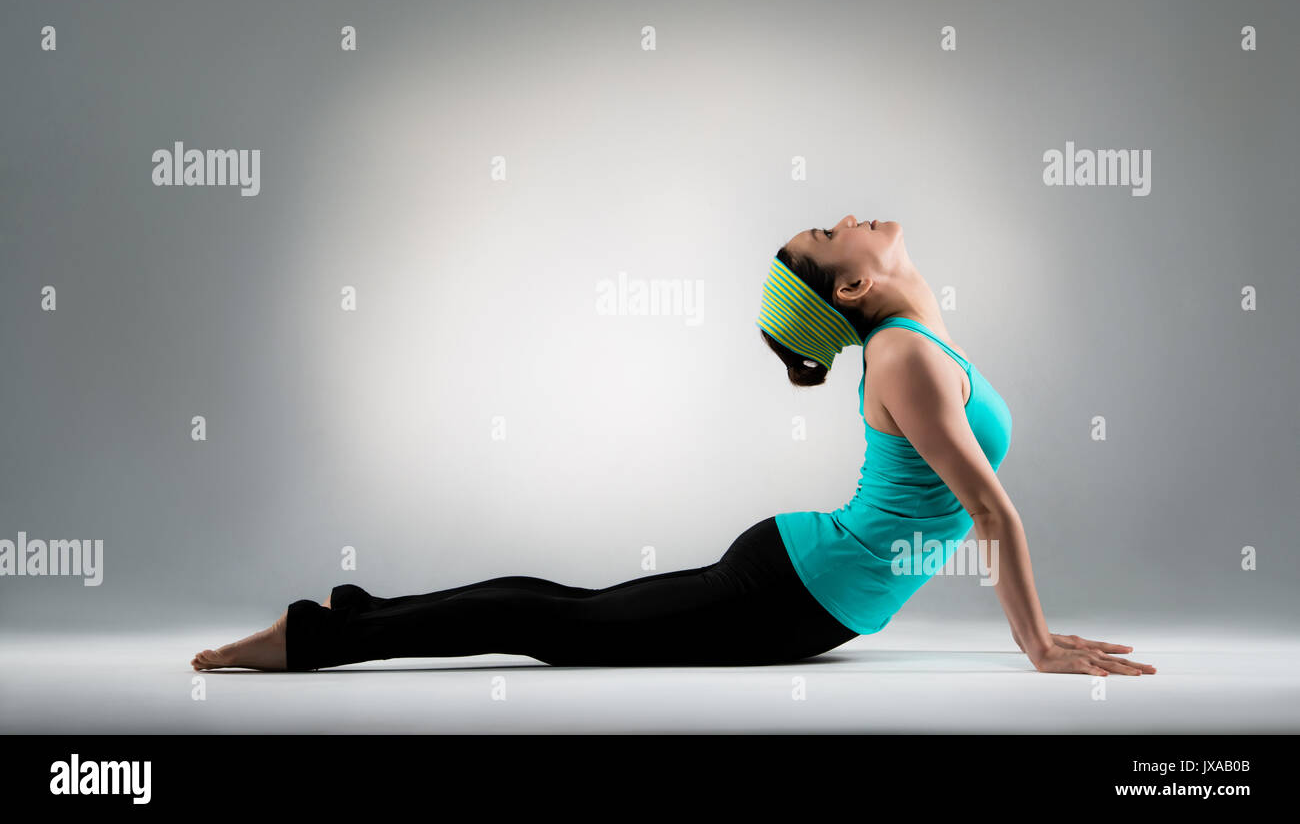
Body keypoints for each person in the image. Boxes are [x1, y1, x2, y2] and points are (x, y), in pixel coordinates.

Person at [192, 215, 1155, 678]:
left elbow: (892, 319)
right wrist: (1038, 644)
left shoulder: (914, 339)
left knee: (573, 617)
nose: (852, 219)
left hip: (806, 580)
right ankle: (322, 634)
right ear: (854, 291)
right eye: (833, 232)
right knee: (562, 628)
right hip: (792, 589)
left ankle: (350, 615)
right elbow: (989, 508)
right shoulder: (902, 354)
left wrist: (834, 302)